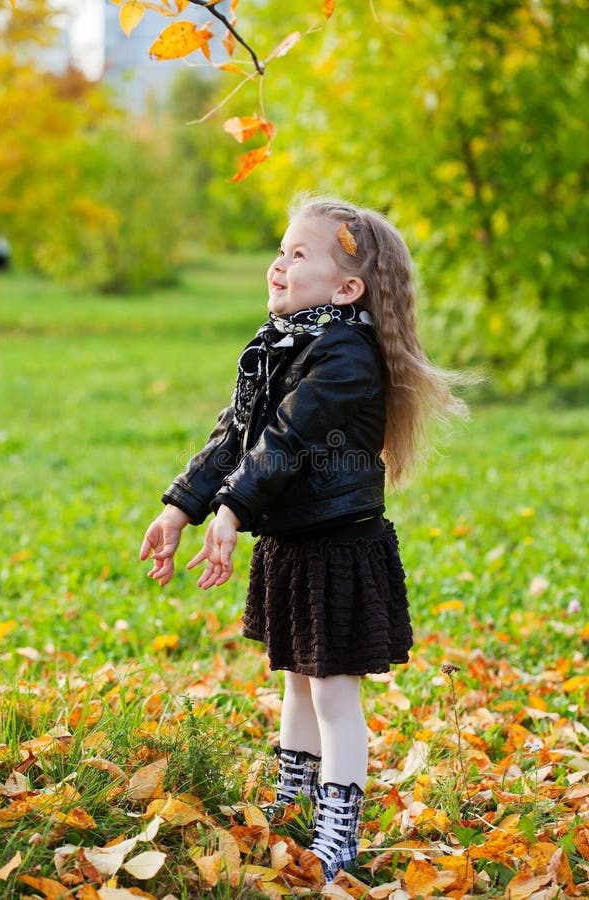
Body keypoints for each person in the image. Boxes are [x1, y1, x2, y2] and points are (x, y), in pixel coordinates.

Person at [140, 195, 468, 883]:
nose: (278, 264)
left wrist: (232, 510)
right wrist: (183, 507)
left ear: (348, 288)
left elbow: (286, 441)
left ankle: (338, 832)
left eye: (298, 254)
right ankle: (291, 810)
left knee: (333, 696)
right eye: (280, 250)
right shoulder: (276, 344)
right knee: (295, 685)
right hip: (292, 543)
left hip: (338, 550)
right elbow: (236, 434)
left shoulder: (345, 355)